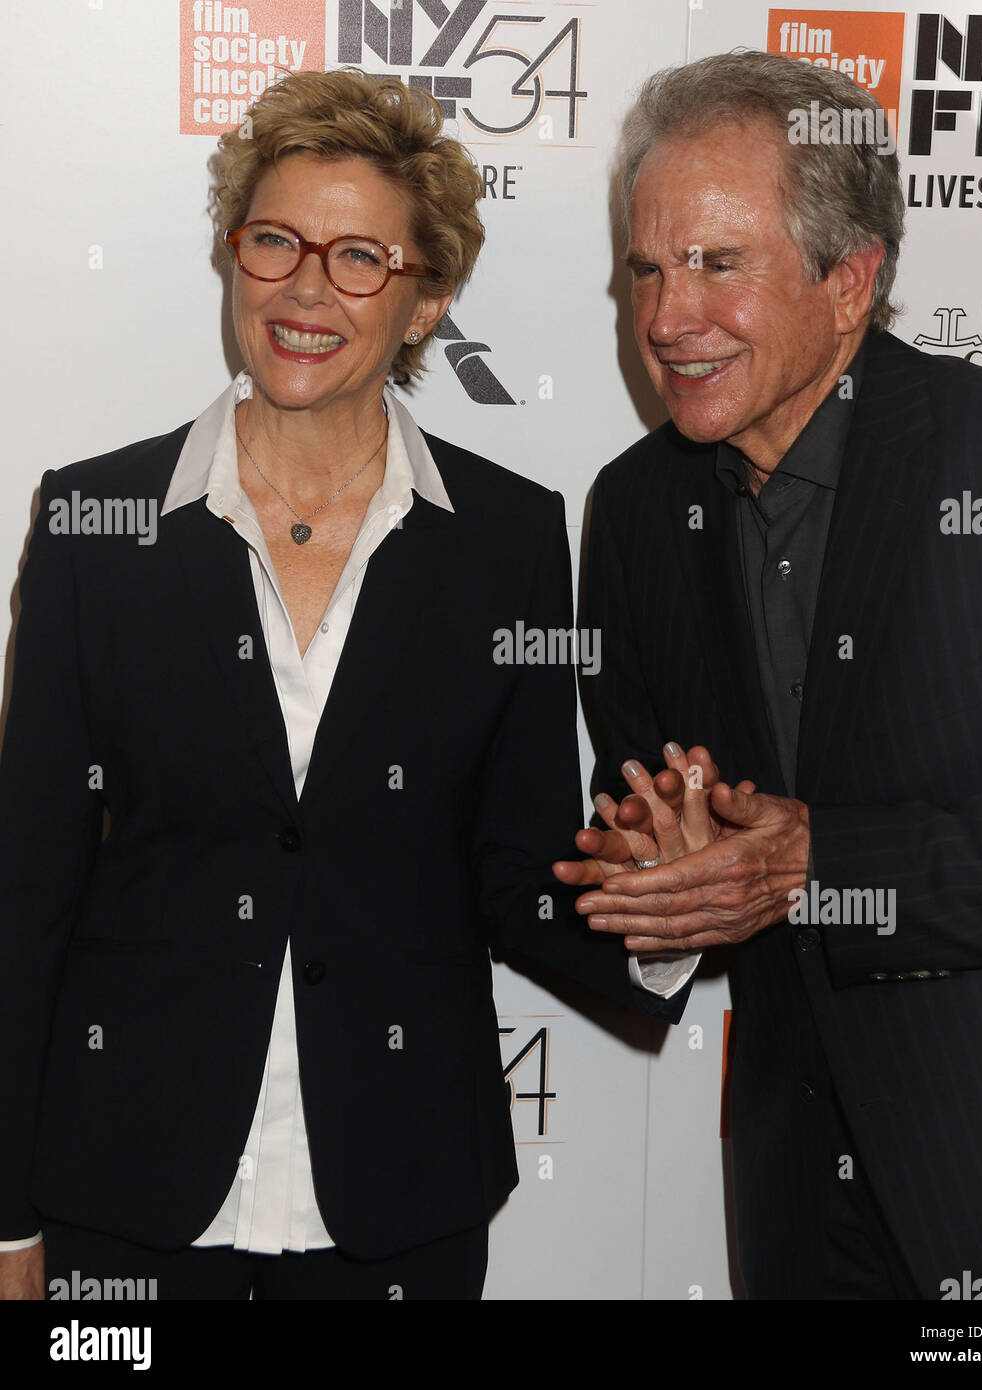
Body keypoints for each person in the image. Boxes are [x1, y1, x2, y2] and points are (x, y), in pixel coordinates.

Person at [0, 68, 691, 1302]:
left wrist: (661, 918)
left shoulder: (510, 541)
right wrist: (3, 1220)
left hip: (399, 1210)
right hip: (122, 1214)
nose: (307, 288)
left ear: (425, 302)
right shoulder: (93, 523)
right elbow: (25, 887)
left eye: (362, 256)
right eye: (277, 240)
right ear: (231, 255)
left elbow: (520, 873)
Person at [556, 50, 982, 1298]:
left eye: (716, 264)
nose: (666, 317)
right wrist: (658, 874)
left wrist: (824, 864)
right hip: (795, 1210)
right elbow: (640, 811)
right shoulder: (633, 511)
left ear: (850, 282)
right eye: (649, 267)